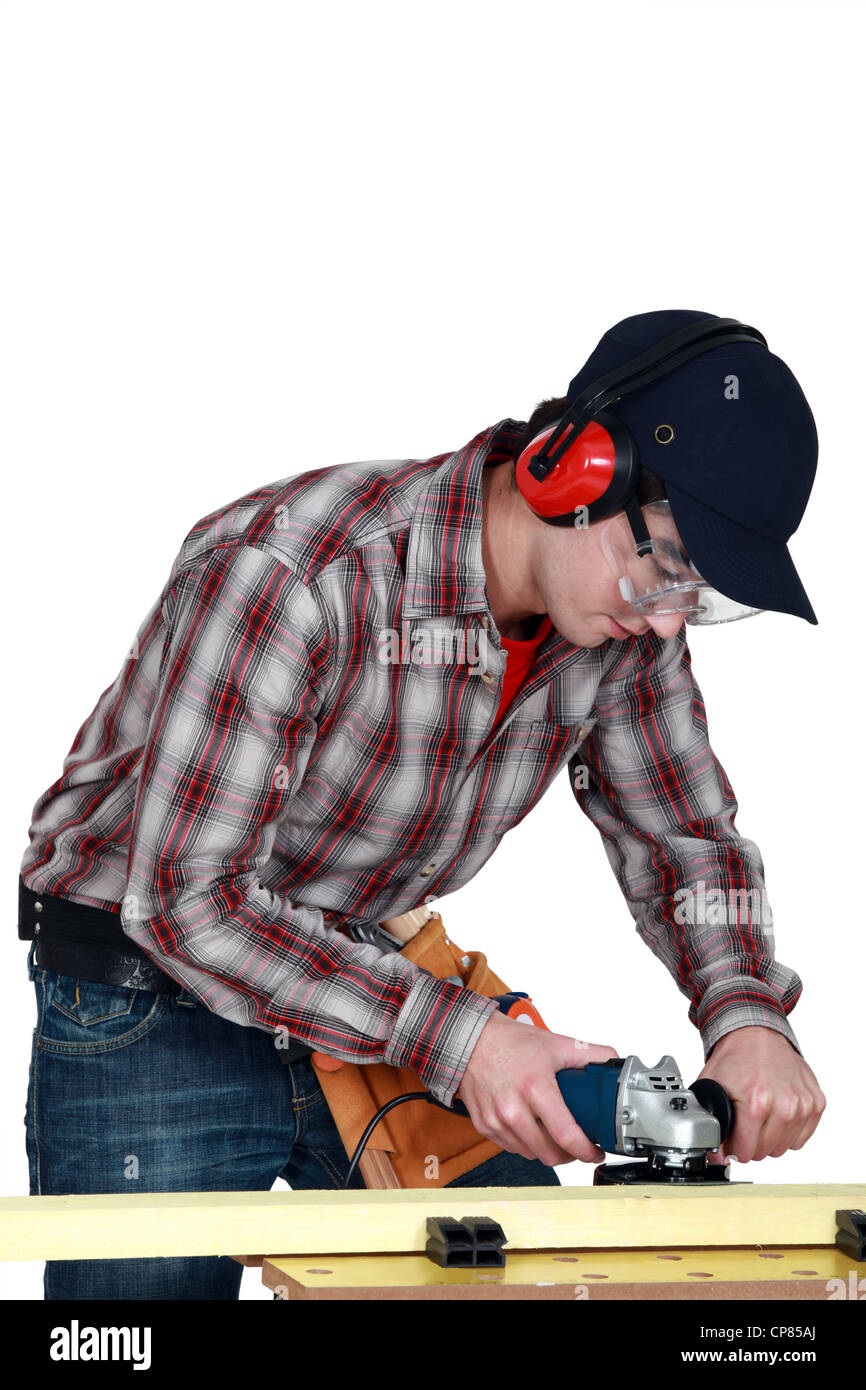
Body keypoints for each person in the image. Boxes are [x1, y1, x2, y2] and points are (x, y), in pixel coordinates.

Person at [18, 309, 825, 1300]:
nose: (665, 617)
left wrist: (746, 1017)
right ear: (570, 471)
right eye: (662, 563)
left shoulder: (621, 631)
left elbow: (681, 838)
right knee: (133, 1345)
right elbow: (189, 901)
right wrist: (469, 1042)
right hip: (149, 989)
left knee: (524, 1284)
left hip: (372, 983)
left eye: (696, 598)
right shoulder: (298, 572)